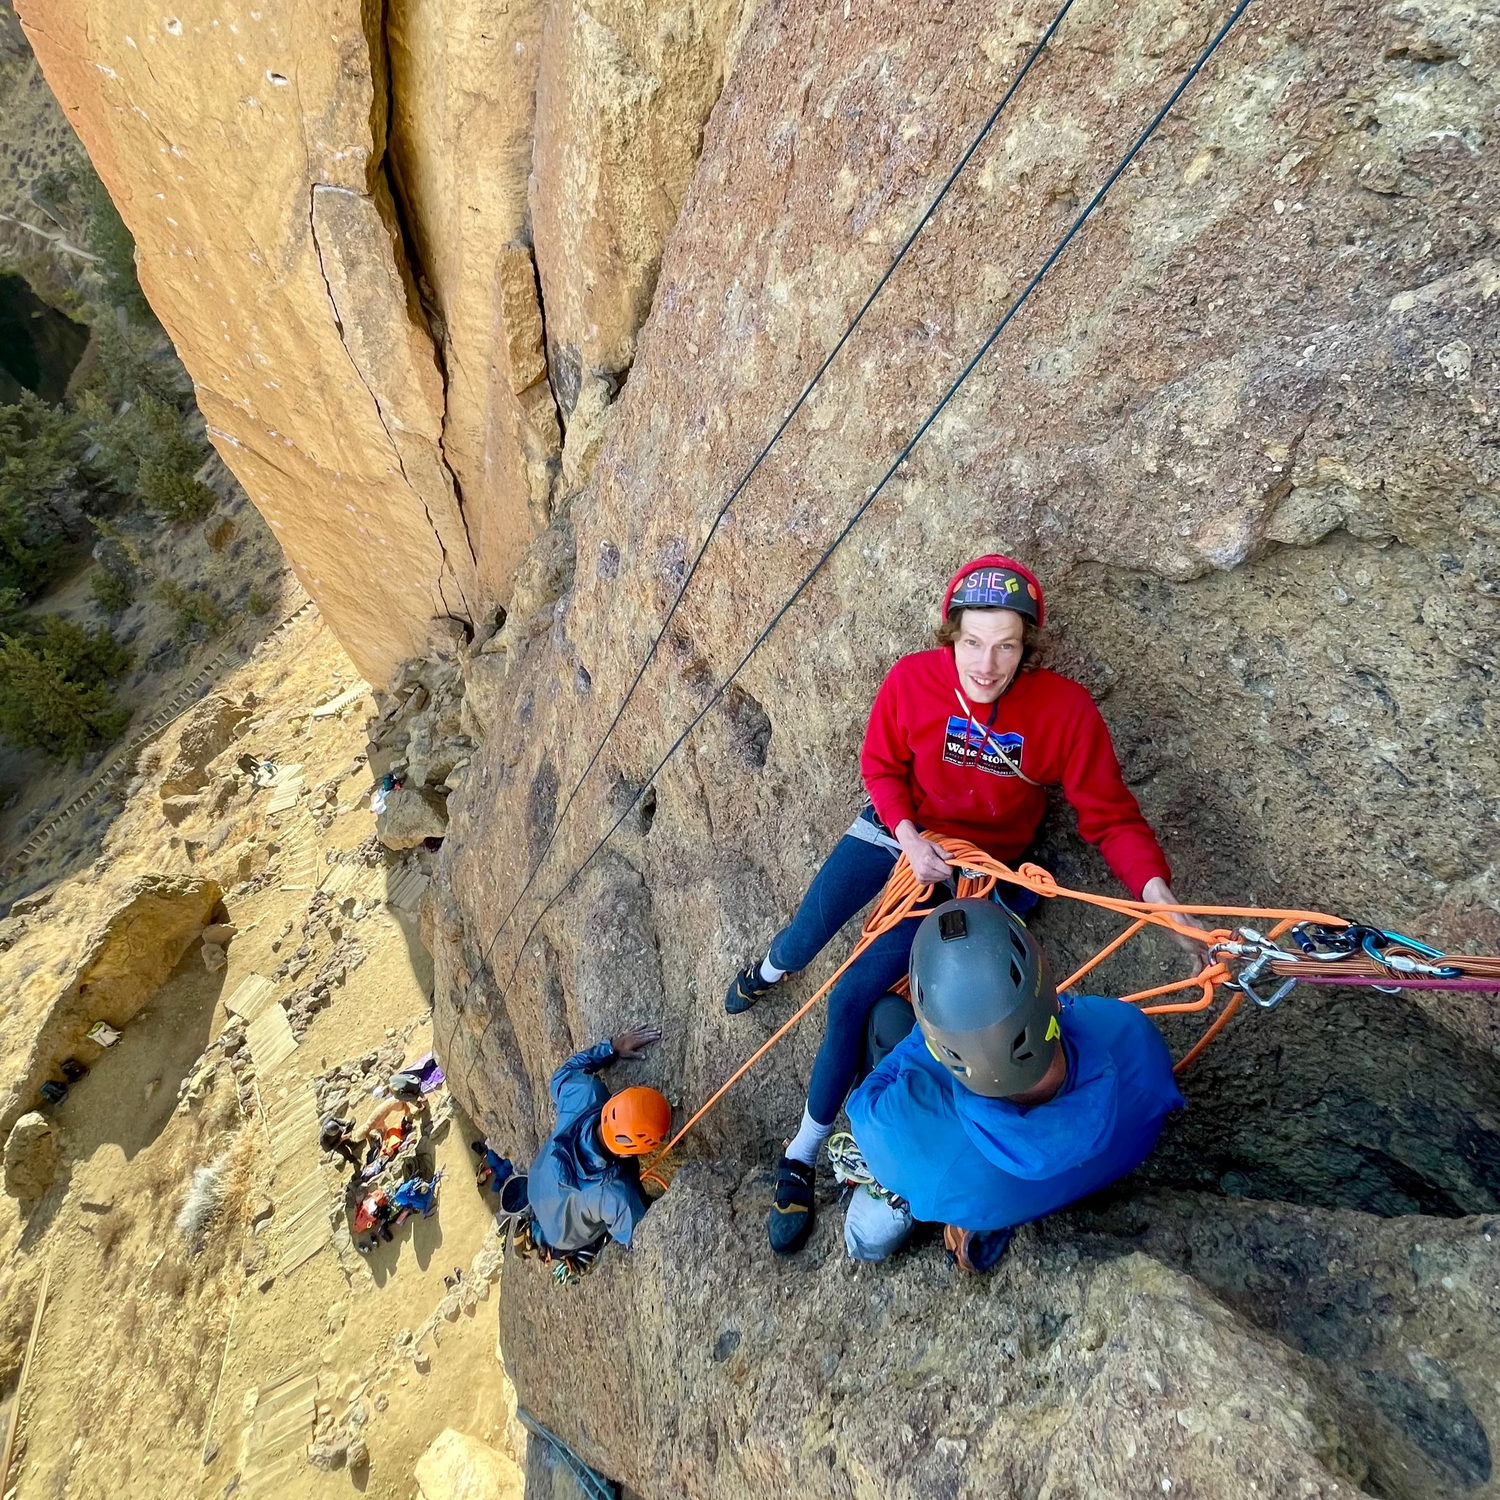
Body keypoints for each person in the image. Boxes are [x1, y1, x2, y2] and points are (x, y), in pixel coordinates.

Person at [720, 554, 1202, 1255]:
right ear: (951, 636)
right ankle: (769, 970)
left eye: (1006, 646)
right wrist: (908, 836)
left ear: (1027, 647)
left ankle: (801, 1151)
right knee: (806, 933)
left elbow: (1110, 816)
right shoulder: (913, 681)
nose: (986, 664)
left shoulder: (1063, 713)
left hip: (970, 871)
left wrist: (1156, 895)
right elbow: (881, 764)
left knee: (851, 996)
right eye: (972, 642)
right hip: (901, 831)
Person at [842, 896, 1184, 1268]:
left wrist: (936, 1042)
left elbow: (864, 1103)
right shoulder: (1133, 1035)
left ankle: (945, 1210)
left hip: (966, 1184)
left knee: (886, 1014)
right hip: (1104, 1162)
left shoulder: (902, 1137)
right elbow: (1071, 1013)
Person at [524, 1026, 669, 1259]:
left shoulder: (586, 1094)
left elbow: (561, 1076)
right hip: (561, 1237)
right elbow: (638, 1239)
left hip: (536, 1185)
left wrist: (612, 1047)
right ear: (627, 1154)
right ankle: (561, 1248)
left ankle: (536, 1232)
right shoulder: (618, 1195)